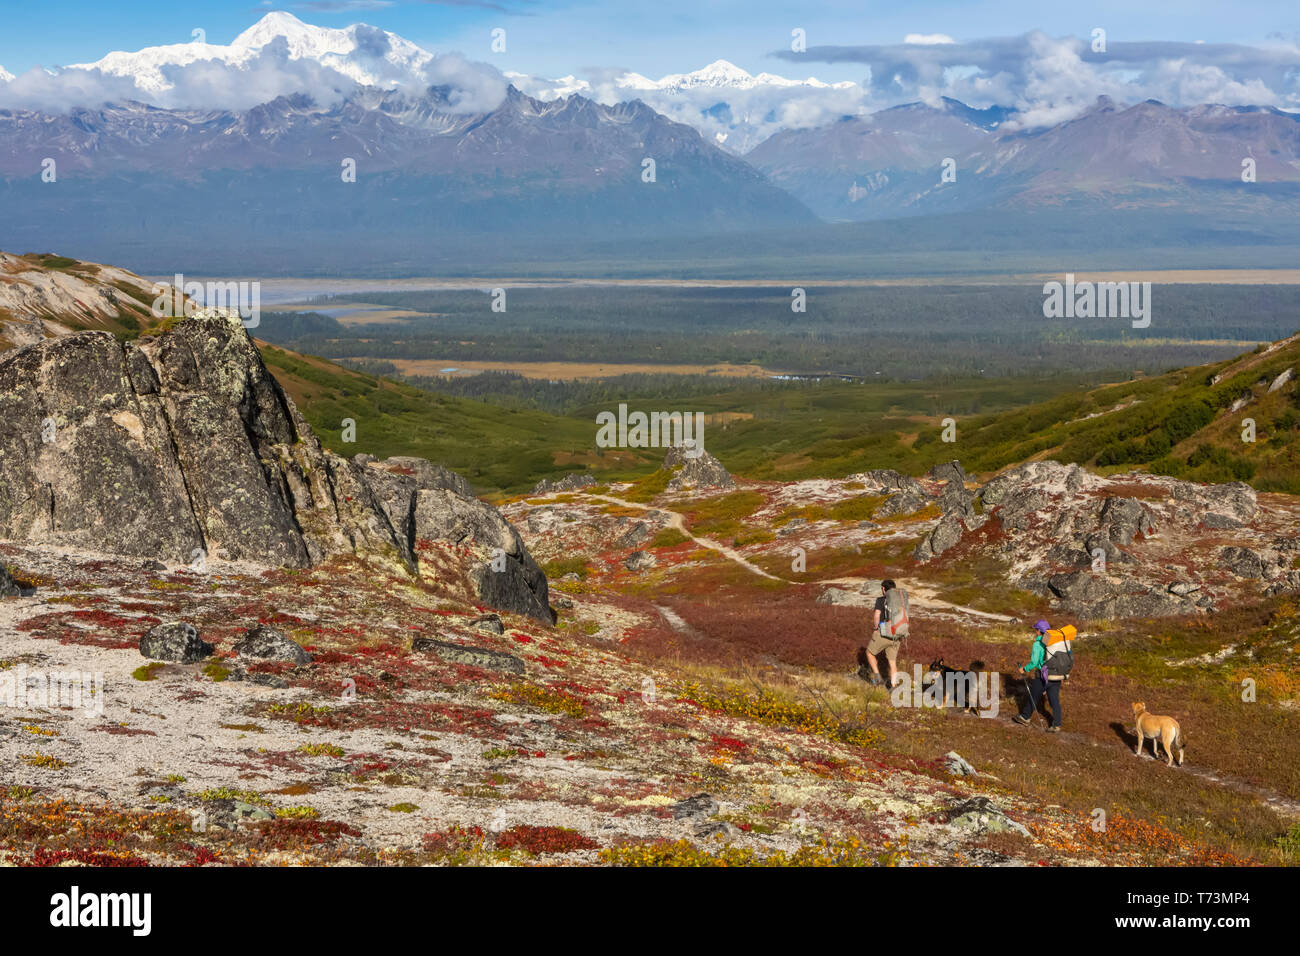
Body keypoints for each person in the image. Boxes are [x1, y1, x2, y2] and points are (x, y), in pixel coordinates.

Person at [1013, 619, 1067, 732]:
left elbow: (1034, 662)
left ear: (1039, 631)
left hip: (1043, 675)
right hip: (1056, 675)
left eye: (1036, 629)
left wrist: (1024, 669)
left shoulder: (1037, 644)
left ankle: (1025, 717)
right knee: (1054, 701)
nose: (1035, 631)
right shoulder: (1055, 642)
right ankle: (1056, 725)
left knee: (1033, 696)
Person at [863, 579, 909, 689]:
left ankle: (877, 677)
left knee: (869, 653)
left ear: (883, 589)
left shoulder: (881, 600)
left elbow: (877, 616)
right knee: (892, 662)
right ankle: (893, 686)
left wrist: (875, 628)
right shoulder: (900, 601)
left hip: (884, 632)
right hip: (897, 635)